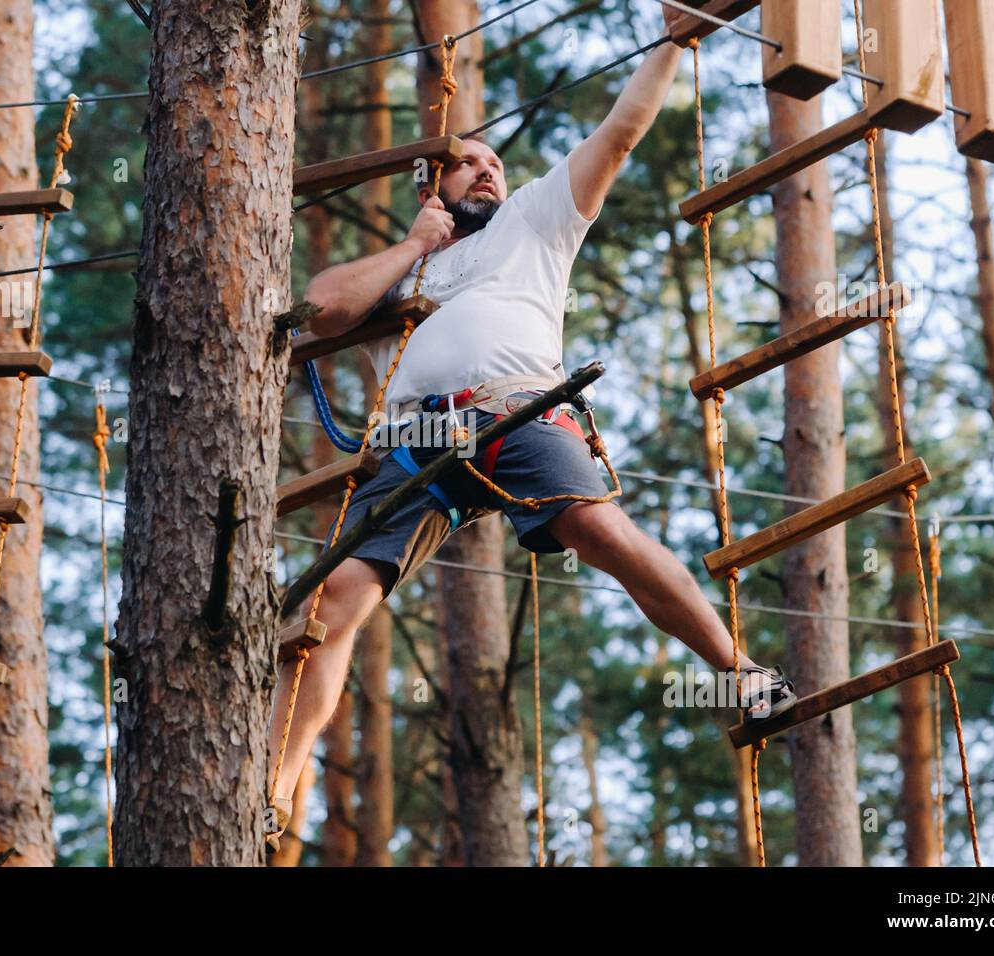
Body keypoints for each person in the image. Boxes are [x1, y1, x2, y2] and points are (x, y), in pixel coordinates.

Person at [265, 37, 796, 854]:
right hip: (418, 440)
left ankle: (739, 669)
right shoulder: (401, 277)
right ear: (430, 187)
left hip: (517, 412)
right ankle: (273, 792)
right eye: (466, 163)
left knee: (599, 530)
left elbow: (619, 133)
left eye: (494, 163)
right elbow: (322, 309)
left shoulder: (532, 223)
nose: (486, 171)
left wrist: (669, 40)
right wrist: (416, 245)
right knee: (332, 601)